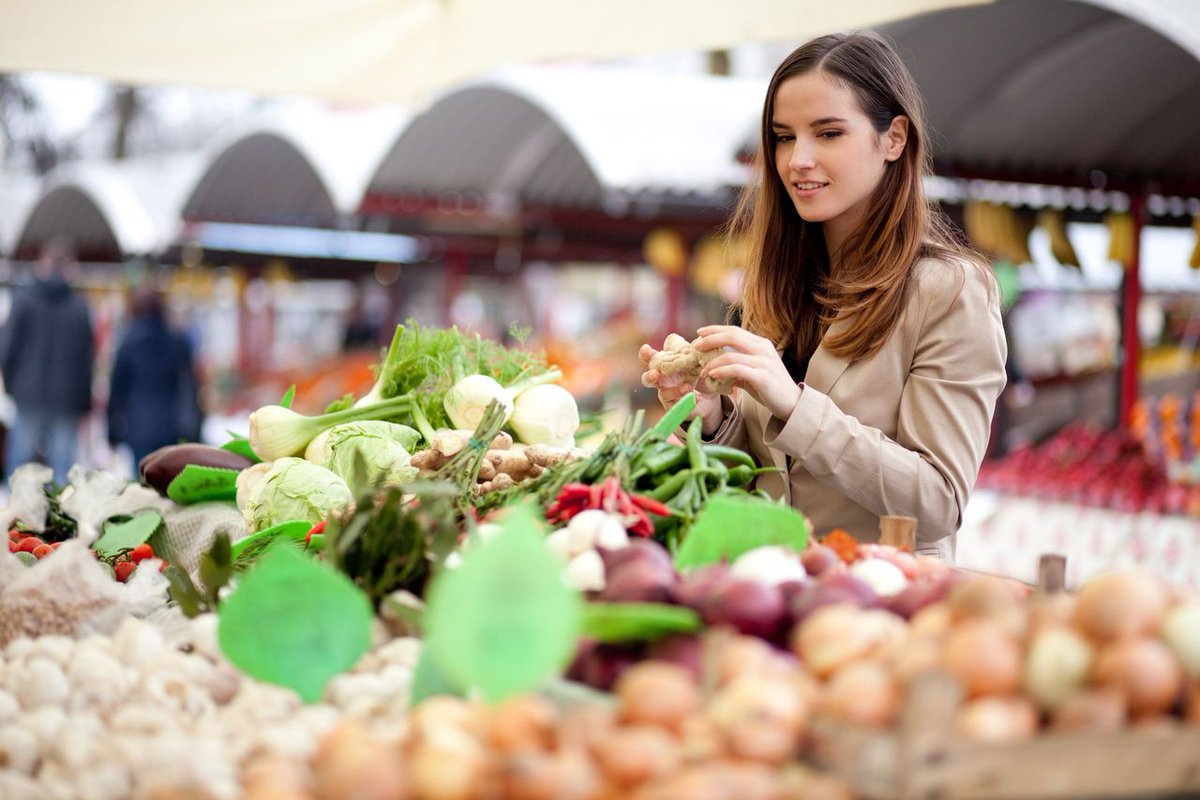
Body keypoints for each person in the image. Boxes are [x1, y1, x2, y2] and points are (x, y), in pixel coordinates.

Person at [639, 32, 1007, 560]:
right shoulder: (779, 281)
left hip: (880, 607)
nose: (798, 160)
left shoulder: (949, 291)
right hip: (769, 591)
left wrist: (793, 404)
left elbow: (938, 502)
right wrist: (715, 417)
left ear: (894, 138)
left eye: (828, 133)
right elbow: (772, 473)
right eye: (784, 137)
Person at [0, 239, 95, 486]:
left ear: (42, 264)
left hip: (27, 392)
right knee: (62, 468)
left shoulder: (24, 300)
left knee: (20, 467)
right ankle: (60, 522)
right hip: (66, 398)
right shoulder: (79, 307)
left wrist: (12, 386)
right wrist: (83, 401)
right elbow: (87, 360)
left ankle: (16, 521)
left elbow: (7, 349)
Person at [107, 286, 204, 466]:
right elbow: (190, 383)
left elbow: (117, 389)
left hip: (137, 425)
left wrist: (111, 431)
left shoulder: (128, 343)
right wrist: (195, 424)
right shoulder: (177, 340)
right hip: (172, 425)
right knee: (169, 480)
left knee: (143, 478)